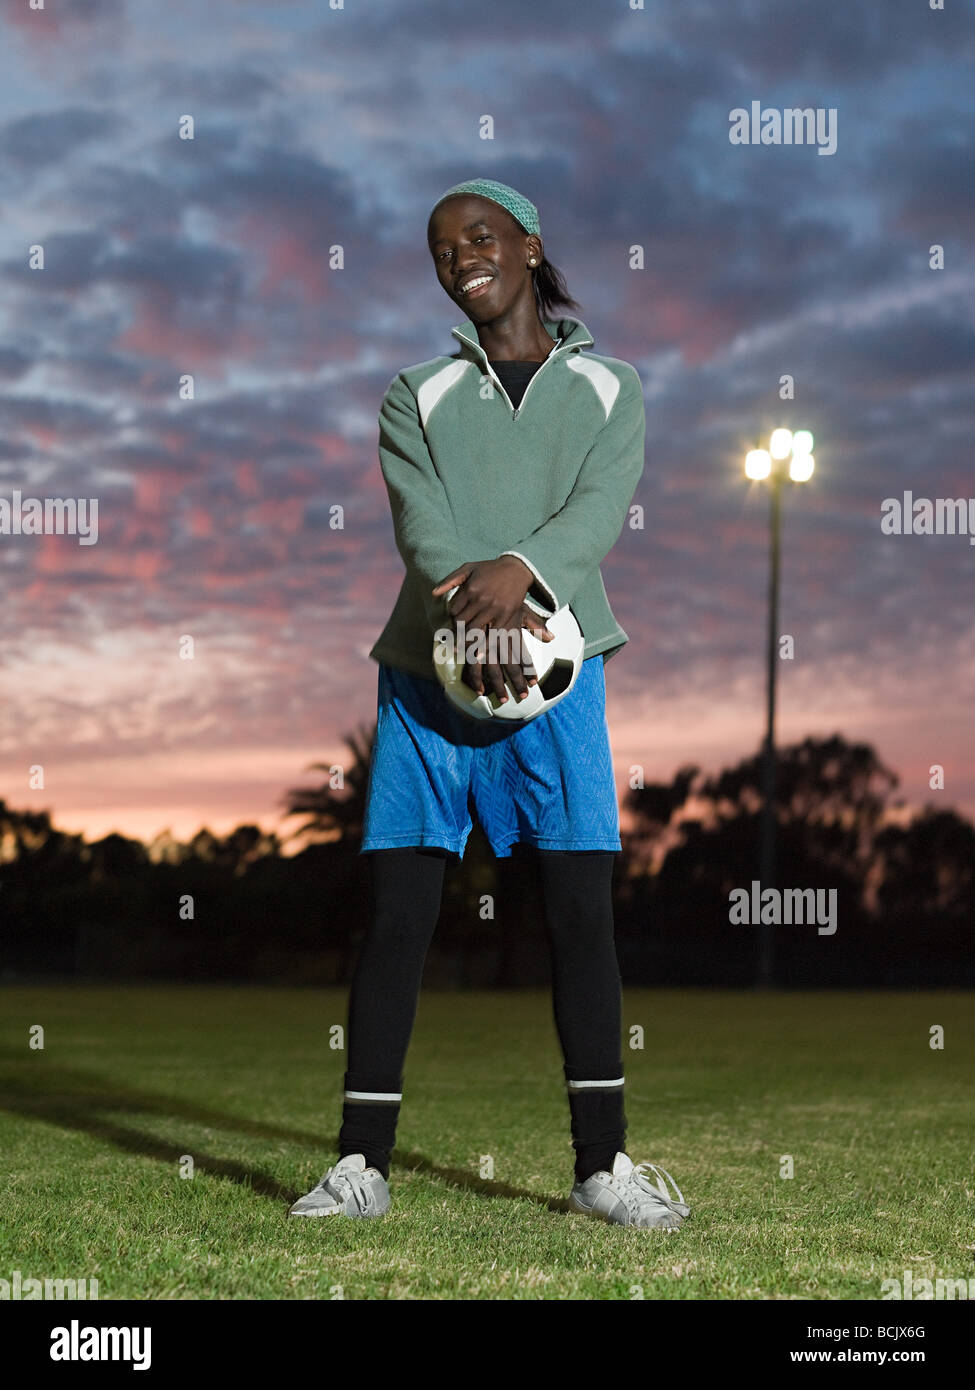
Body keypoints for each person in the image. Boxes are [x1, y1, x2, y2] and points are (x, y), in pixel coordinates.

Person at [289, 178, 690, 1230]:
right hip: (429, 679)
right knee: (399, 920)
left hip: (564, 680)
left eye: (481, 235)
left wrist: (519, 571)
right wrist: (477, 602)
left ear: (528, 243)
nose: (461, 255)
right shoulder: (412, 391)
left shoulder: (612, 384)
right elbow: (422, 526)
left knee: (578, 915)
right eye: (441, 247)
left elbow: (599, 509)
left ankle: (602, 1169)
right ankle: (359, 1167)